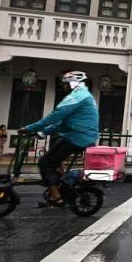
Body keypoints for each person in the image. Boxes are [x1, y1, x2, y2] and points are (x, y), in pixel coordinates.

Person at [19, 71, 99, 206]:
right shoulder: (84, 95)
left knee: (45, 163)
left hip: (77, 137)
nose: (64, 87)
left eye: (65, 84)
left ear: (72, 83)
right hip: (80, 136)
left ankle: (57, 197)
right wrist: (42, 132)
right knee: (55, 155)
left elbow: (56, 115)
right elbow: (64, 124)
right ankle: (59, 186)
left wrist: (31, 128)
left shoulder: (78, 95)